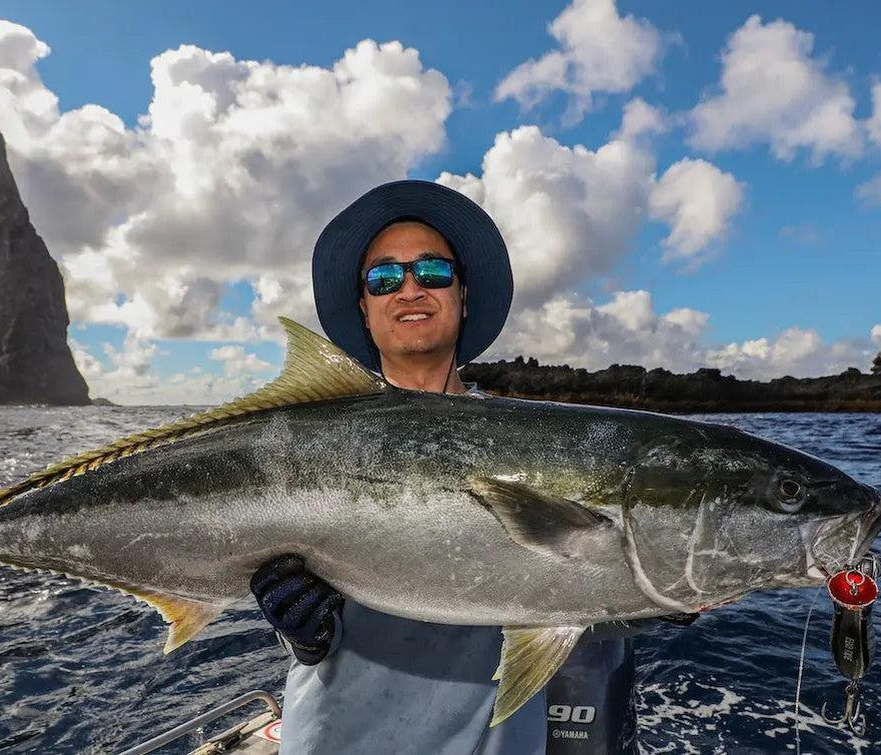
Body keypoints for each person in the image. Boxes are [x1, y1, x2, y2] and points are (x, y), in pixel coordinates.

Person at [250, 180, 645, 754]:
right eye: (384, 278)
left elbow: (583, 587)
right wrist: (299, 635)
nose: (409, 289)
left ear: (462, 292)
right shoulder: (303, 437)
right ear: (364, 306)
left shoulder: (542, 446)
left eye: (432, 272)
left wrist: (657, 597)